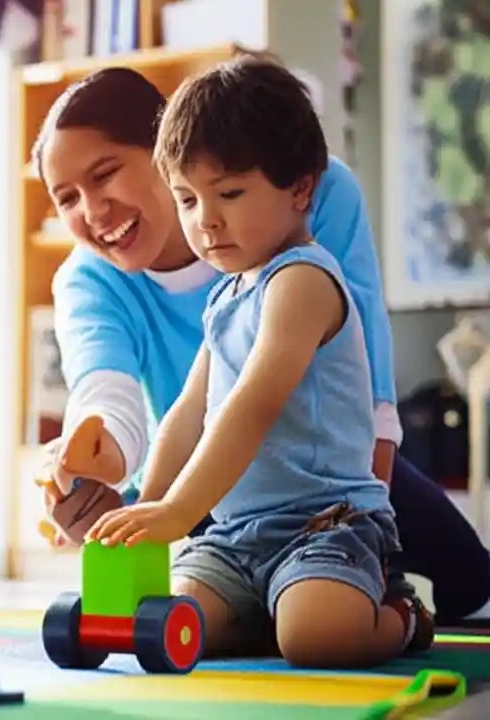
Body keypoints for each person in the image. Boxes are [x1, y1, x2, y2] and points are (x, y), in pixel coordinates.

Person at [35, 61, 490, 623]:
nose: (93, 210)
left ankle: (386, 606)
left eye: (104, 174)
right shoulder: (190, 289)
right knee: (197, 614)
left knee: (450, 582)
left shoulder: (301, 261)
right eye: (66, 198)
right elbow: (161, 408)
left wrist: (368, 502)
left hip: (327, 487)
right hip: (227, 501)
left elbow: (253, 404)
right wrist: (133, 493)